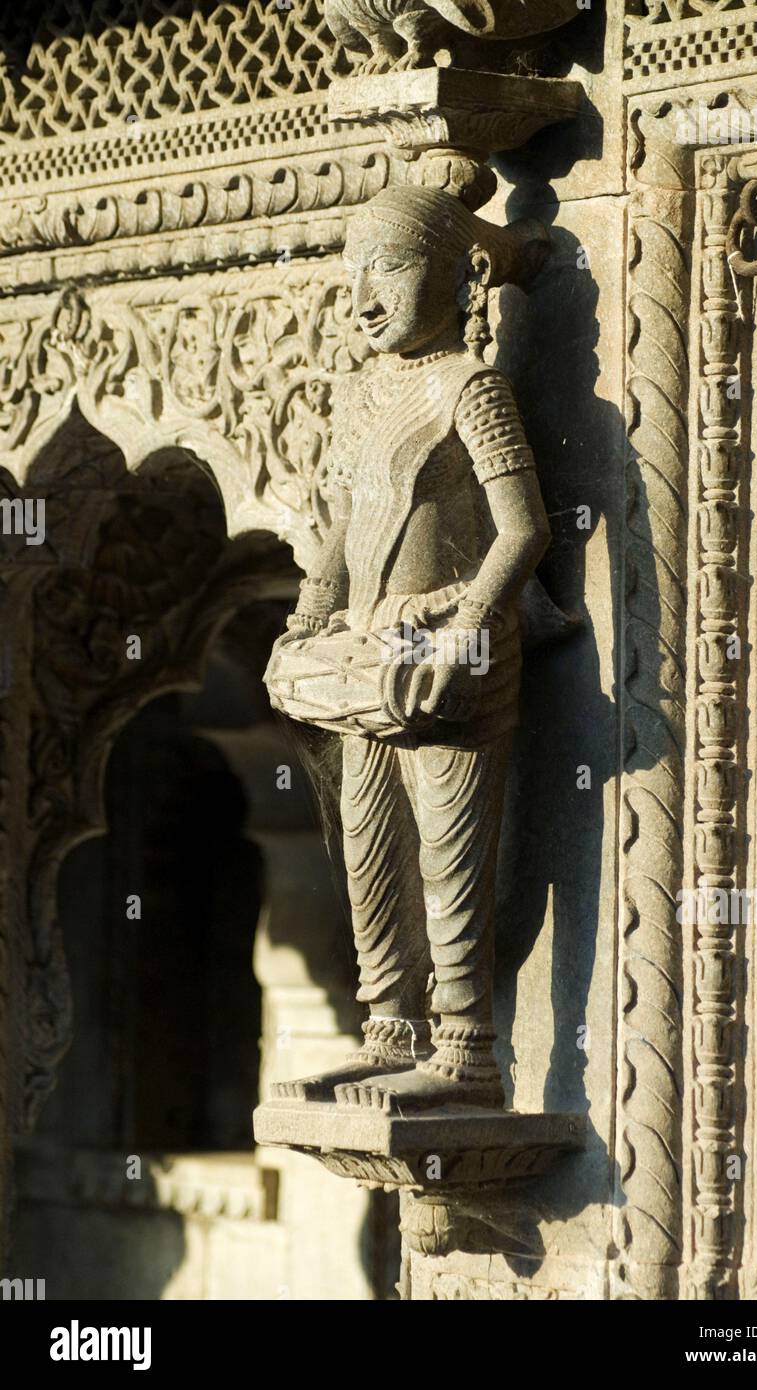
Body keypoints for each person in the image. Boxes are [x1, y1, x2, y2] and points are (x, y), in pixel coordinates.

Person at [266, 185, 551, 1110]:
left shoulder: (474, 388)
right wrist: (311, 616)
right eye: (354, 274)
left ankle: (466, 1046)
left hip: (451, 651)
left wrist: (464, 632)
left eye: (387, 268)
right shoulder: (363, 397)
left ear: (459, 274)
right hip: (368, 658)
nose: (364, 296)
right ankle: (389, 1027)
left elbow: (524, 533)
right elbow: (347, 528)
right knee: (368, 848)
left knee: (448, 852)